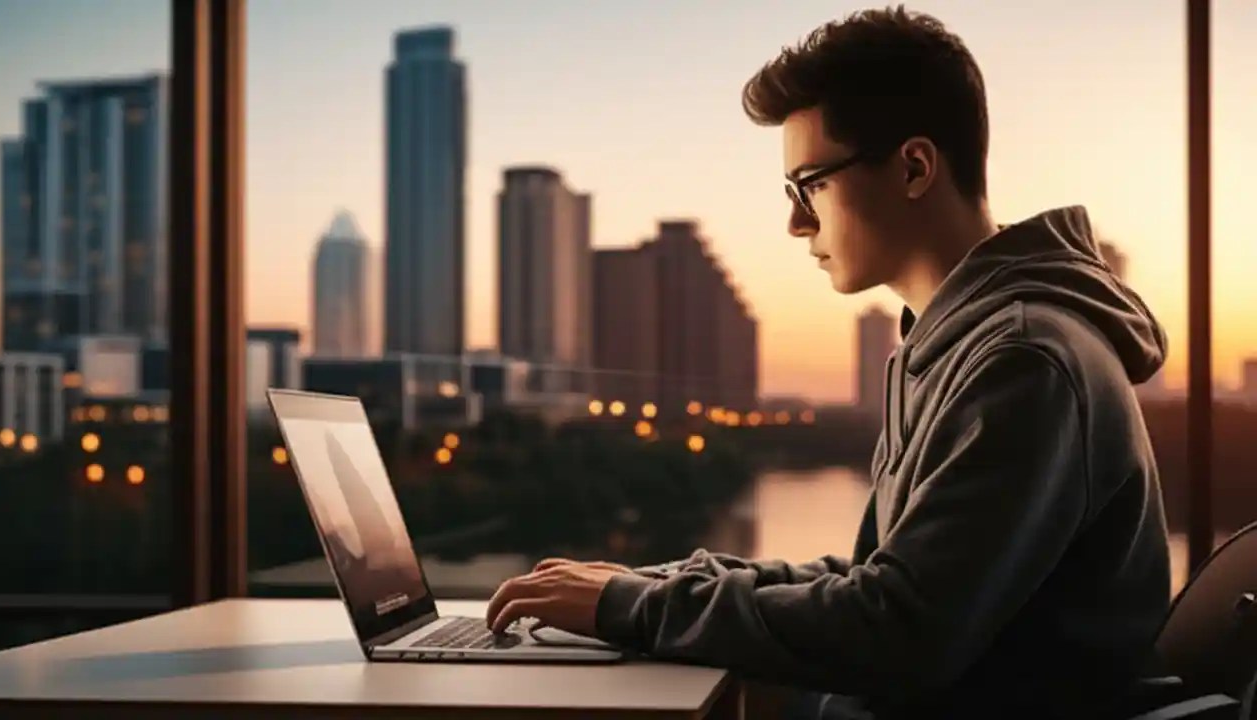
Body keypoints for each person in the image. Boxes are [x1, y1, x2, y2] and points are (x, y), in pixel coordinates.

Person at [485, 6, 1170, 718]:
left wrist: (638, 606)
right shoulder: (951, 346)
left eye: (810, 184)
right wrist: (655, 585)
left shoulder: (1025, 362)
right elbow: (880, 580)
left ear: (913, 167)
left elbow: (896, 629)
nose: (795, 222)